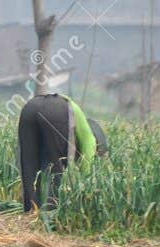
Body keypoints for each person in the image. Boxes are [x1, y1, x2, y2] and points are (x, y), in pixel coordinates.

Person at [18, 80, 104, 213]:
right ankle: (51, 209)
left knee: (29, 161)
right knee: (57, 163)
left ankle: (31, 208)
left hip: (30, 107)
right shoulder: (91, 137)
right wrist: (84, 183)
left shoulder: (80, 118)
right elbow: (89, 150)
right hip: (57, 110)